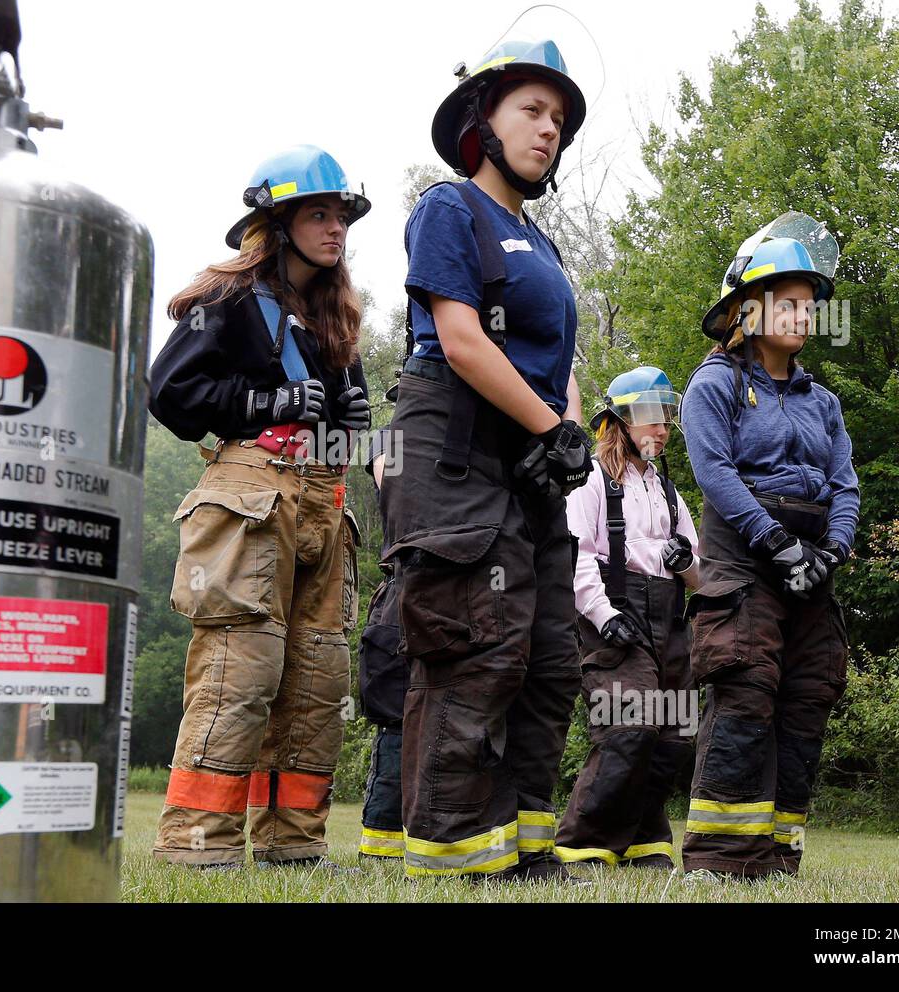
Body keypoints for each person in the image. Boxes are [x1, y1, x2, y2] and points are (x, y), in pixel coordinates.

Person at [381, 38, 593, 882]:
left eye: (560, 121)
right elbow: (463, 341)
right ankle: (451, 850)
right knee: (476, 640)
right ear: (484, 121)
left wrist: (566, 435)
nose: (550, 131)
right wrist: (550, 427)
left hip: (533, 451)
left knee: (547, 657)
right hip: (454, 444)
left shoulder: (541, 244)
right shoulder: (450, 210)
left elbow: (563, 360)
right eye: (533, 112)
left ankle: (527, 847)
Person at [148, 145, 371, 869]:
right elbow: (170, 394)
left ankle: (294, 844)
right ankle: (197, 842)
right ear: (276, 222)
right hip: (251, 490)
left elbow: (334, 414)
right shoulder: (231, 298)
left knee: (317, 678)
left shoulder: (335, 314)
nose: (335, 228)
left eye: (341, 216)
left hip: (323, 500)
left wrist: (348, 414)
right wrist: (263, 400)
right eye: (318, 214)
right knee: (240, 670)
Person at [679, 214, 858, 879]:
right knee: (748, 688)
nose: (801, 315)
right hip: (743, 561)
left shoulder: (826, 403)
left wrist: (831, 553)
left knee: (807, 697)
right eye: (786, 302)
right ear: (747, 310)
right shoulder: (715, 384)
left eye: (807, 305)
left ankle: (779, 852)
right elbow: (715, 473)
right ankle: (722, 857)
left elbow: (846, 487)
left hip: (813, 569)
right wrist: (777, 542)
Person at [553, 367, 700, 871]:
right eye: (652, 419)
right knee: (628, 725)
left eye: (666, 420)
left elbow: (701, 574)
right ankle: (580, 843)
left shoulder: (669, 492)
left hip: (669, 619)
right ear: (621, 420)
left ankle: (642, 838)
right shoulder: (591, 480)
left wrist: (688, 562)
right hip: (613, 617)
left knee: (675, 734)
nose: (662, 430)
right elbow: (573, 556)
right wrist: (604, 615)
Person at [355, 428, 406, 861]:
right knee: (397, 719)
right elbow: (400, 489)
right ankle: (382, 845)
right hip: (403, 595)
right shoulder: (390, 440)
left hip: (463, 594)